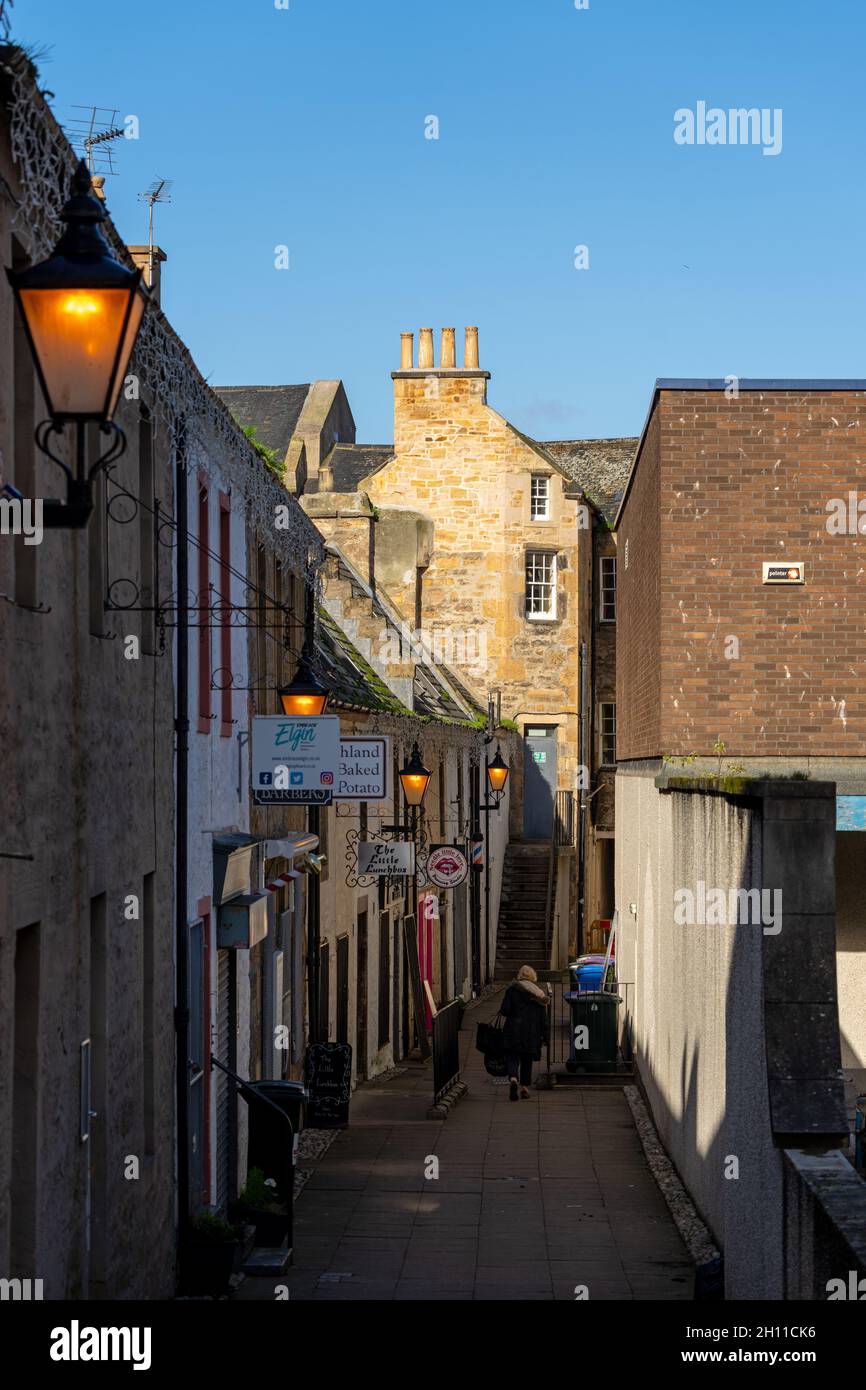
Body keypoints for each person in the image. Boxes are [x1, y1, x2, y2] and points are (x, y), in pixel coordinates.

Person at [500, 964, 550, 1100]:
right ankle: (524, 1088)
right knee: (527, 1060)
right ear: (533, 976)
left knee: (512, 1056)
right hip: (531, 1033)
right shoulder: (539, 994)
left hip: (513, 1030)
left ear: (520, 975)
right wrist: (546, 1037)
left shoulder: (512, 990)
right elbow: (543, 1019)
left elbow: (504, 1010)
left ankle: (513, 1079)